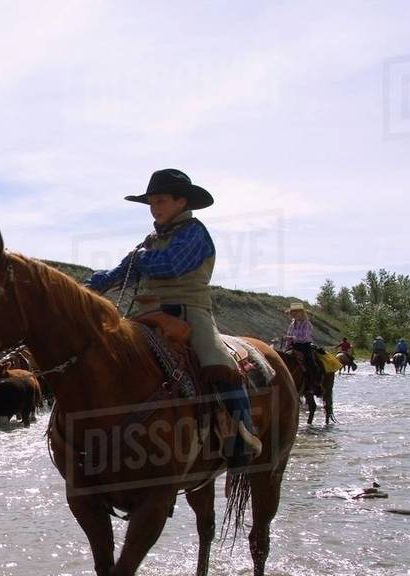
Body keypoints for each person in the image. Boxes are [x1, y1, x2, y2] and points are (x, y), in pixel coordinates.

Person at [86, 168, 260, 468]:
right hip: (146, 314)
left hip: (190, 313)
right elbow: (120, 272)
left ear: (182, 202)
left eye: (161, 201)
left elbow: (171, 265)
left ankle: (242, 436)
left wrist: (138, 259)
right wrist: (88, 287)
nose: (154, 208)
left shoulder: (194, 233)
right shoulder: (152, 238)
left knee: (218, 362)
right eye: (152, 202)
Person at [283, 302, 321, 391]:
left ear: (301, 313)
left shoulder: (307, 324)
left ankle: (316, 383)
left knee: (311, 364)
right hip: (293, 346)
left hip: (304, 346)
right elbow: (289, 335)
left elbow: (304, 337)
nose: (293, 314)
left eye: (296, 312)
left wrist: (291, 338)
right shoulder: (292, 324)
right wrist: (287, 344)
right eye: (292, 312)